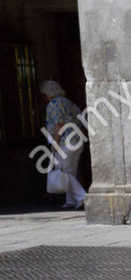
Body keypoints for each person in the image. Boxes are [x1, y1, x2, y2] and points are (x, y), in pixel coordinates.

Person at [39, 80, 86, 210]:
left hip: (65, 142)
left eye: (43, 95)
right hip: (77, 141)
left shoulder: (53, 104)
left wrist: (55, 142)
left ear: (47, 93)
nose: (44, 98)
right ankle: (71, 200)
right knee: (71, 171)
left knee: (64, 170)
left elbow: (59, 124)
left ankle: (82, 197)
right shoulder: (69, 102)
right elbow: (82, 121)